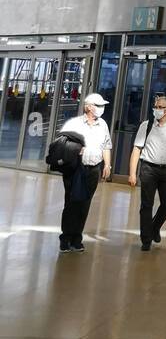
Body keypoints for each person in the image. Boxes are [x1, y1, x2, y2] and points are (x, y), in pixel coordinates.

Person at [128, 93, 166, 251]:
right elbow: (136, 150)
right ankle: (146, 240)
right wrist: (132, 173)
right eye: (156, 107)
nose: (158, 110)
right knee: (146, 204)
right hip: (149, 169)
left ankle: (154, 227)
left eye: (161, 107)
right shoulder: (146, 126)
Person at [57, 92, 112, 254]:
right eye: (98, 106)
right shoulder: (74, 124)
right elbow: (61, 144)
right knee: (71, 203)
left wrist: (107, 164)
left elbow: (106, 146)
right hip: (75, 169)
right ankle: (65, 238)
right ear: (88, 107)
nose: (101, 109)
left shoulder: (102, 125)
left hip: (93, 169)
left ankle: (76, 238)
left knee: (84, 204)